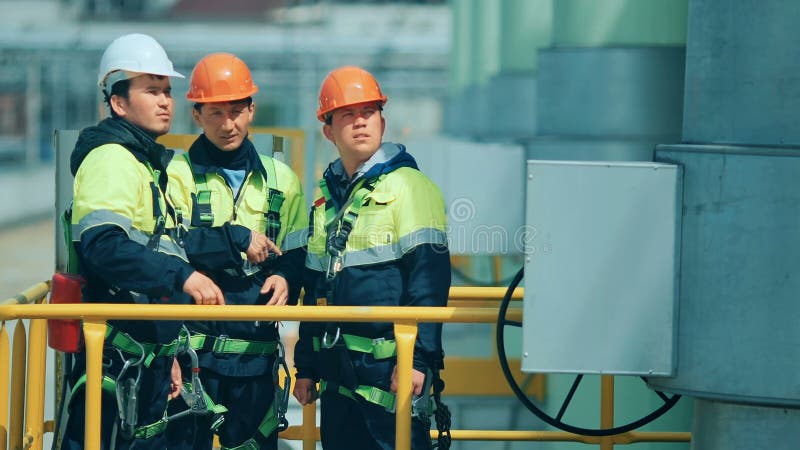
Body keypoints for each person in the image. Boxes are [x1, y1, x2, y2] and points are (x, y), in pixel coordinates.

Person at [58, 33, 234, 450]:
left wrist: (167, 347)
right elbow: (103, 246)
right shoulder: (111, 159)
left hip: (143, 357)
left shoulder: (142, 162)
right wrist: (183, 276)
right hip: (118, 361)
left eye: (168, 91)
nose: (165, 101)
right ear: (118, 103)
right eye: (151, 90)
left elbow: (156, 249)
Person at [292, 66, 451, 450]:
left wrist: (419, 361)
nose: (360, 123)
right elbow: (315, 291)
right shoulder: (325, 200)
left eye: (368, 112)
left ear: (383, 120)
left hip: (390, 371)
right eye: (347, 115)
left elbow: (429, 281)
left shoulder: (410, 187)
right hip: (336, 376)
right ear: (328, 130)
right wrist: (307, 367)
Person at [165, 52, 308, 450]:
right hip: (191, 359)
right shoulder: (176, 175)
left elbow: (298, 250)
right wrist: (235, 238)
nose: (228, 124)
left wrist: (286, 275)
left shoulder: (282, 179)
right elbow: (169, 249)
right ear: (197, 115)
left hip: (256, 360)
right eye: (215, 113)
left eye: (236, 111)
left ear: (251, 110)